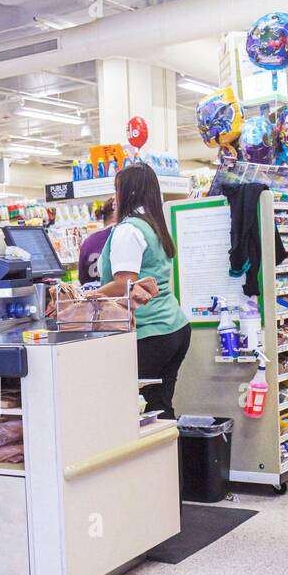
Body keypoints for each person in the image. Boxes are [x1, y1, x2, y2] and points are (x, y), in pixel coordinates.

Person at [93, 164, 190, 419]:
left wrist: (86, 298)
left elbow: (124, 283)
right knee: (161, 407)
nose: (114, 197)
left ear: (129, 191)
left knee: (139, 413)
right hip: (175, 327)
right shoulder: (155, 225)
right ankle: (173, 459)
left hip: (149, 332)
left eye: (117, 189)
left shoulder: (128, 230)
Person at [77, 197, 115, 286]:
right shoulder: (124, 235)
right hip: (119, 295)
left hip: (94, 295)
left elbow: (82, 278)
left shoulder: (88, 241)